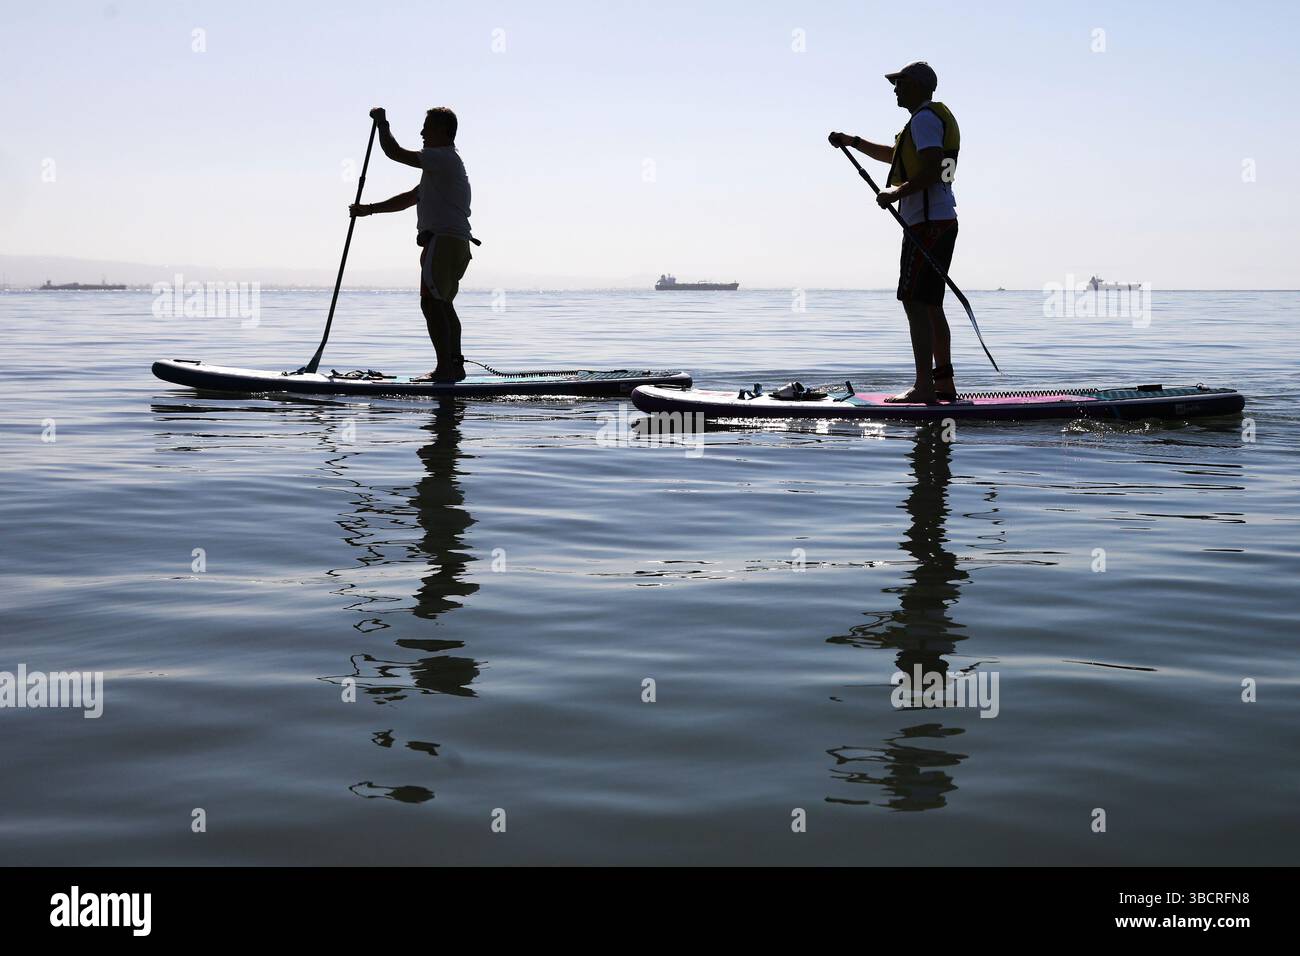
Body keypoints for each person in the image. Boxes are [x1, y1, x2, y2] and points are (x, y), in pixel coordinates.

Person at [829, 61, 961, 403]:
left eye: (900, 82)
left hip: (928, 224)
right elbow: (895, 158)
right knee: (930, 304)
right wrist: (853, 141)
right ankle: (942, 384)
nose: (895, 88)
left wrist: (894, 194)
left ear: (918, 85)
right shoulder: (923, 121)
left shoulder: (924, 120)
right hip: (938, 221)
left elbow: (931, 169)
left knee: (915, 302)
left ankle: (924, 388)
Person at [350, 106, 478, 381]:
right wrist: (369, 209)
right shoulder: (443, 167)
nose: (421, 132)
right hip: (455, 244)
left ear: (443, 131)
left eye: (427, 126)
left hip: (443, 243)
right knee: (442, 305)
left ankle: (445, 369)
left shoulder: (442, 157)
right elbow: (410, 198)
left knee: (431, 304)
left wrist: (382, 124)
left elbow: (394, 152)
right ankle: (454, 366)